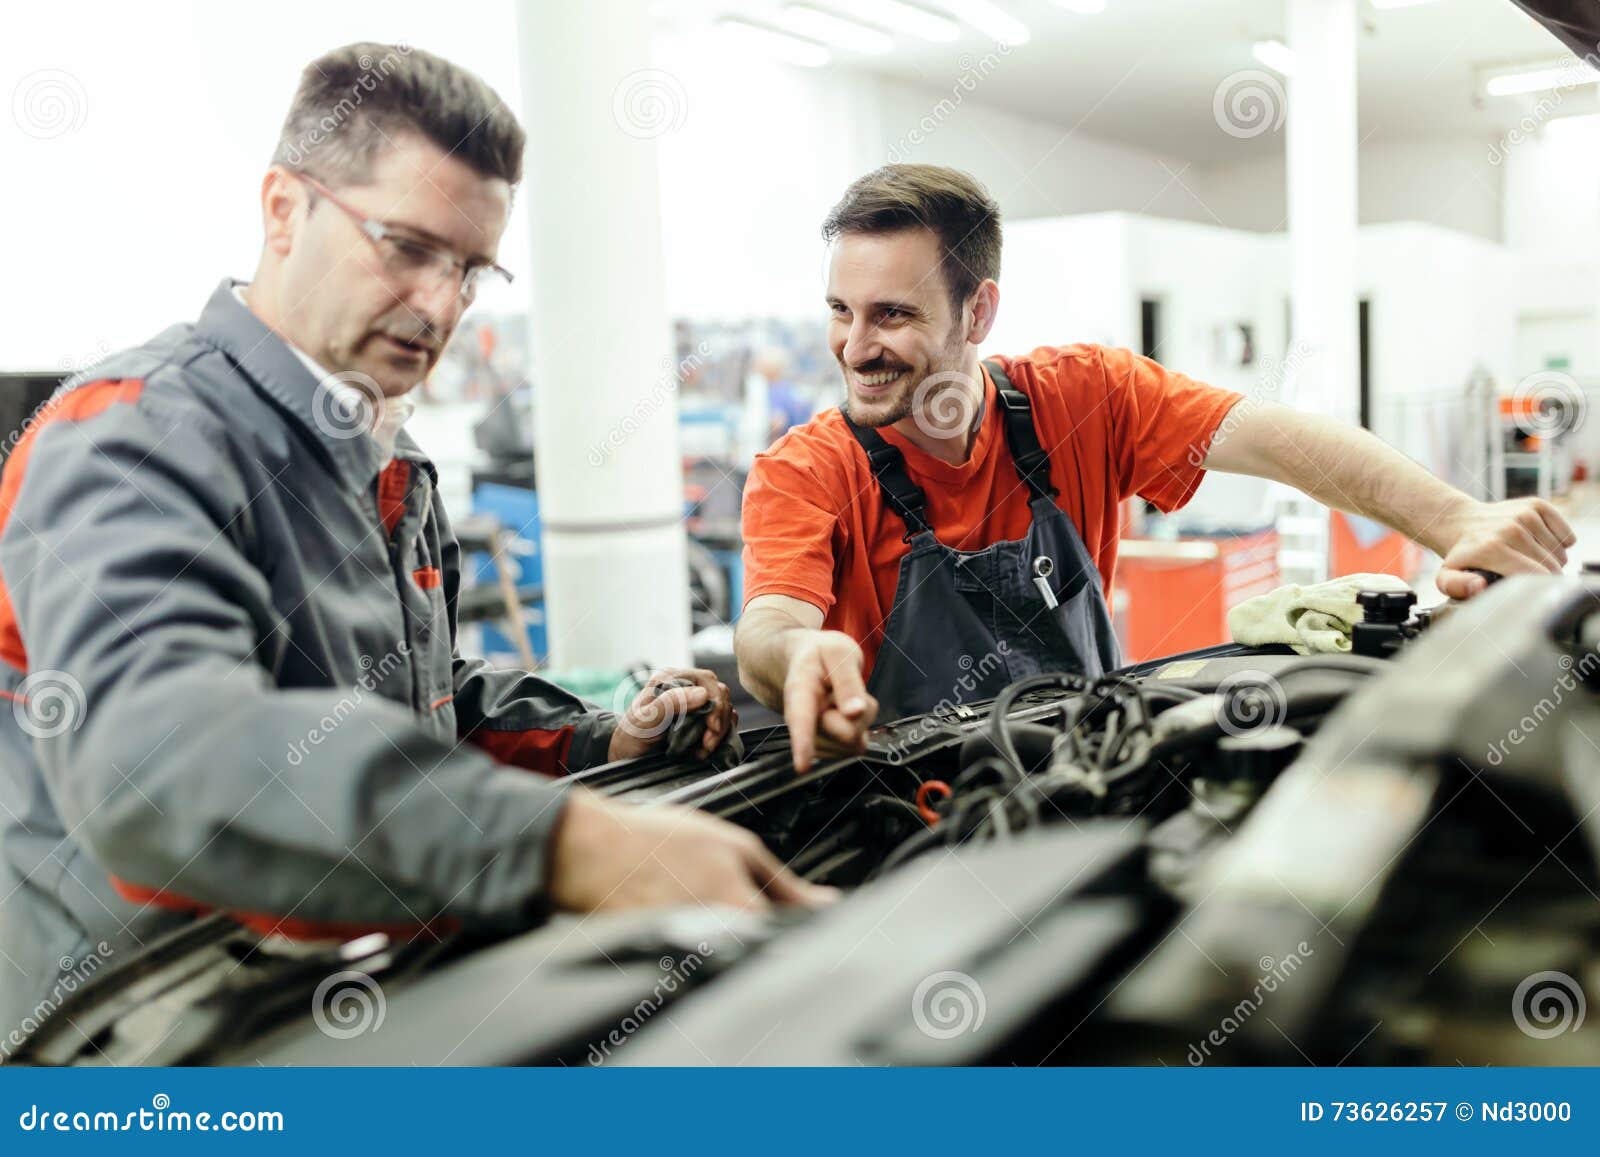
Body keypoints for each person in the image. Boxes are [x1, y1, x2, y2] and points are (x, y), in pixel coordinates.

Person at [0, 43, 830, 1038]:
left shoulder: (383, 454)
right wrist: (560, 842)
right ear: (282, 210)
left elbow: (413, 706)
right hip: (143, 1035)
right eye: (405, 245)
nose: (441, 305)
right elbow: (163, 759)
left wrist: (596, 743)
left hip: (346, 989)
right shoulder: (134, 433)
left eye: (470, 268)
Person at [735, 164, 1575, 771]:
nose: (855, 346)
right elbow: (770, 623)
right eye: (840, 312)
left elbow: (1279, 439)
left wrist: (1458, 521)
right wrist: (798, 656)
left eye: (892, 315)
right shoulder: (807, 470)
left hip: (1097, 778)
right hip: (910, 826)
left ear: (979, 309)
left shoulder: (1082, 398)